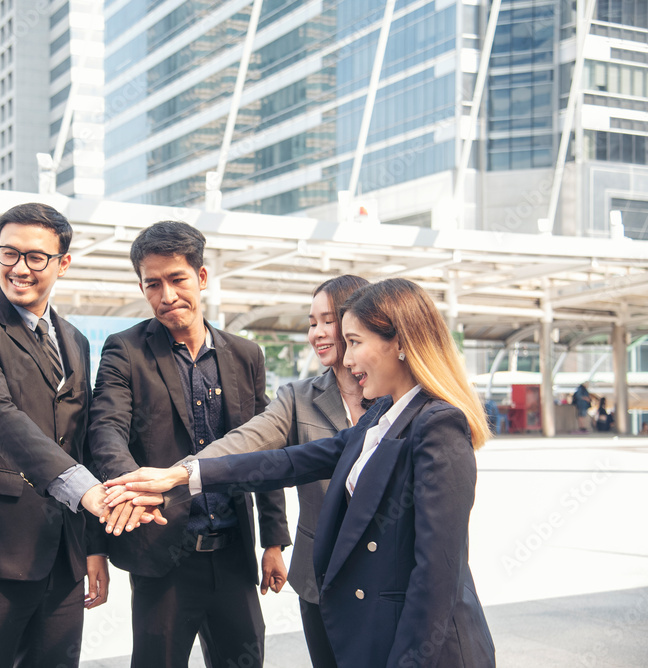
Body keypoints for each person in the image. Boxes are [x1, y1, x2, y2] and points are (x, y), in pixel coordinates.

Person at [108, 277, 497, 668]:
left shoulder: (438, 425)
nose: (346, 358)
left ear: (398, 342)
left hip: (424, 646)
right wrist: (181, 475)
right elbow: (289, 462)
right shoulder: (381, 415)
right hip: (365, 621)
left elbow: (436, 576)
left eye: (355, 342)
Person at [0, 203, 148, 668]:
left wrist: (94, 545)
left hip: (63, 557)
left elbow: (83, 442)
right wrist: (88, 492)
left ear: (62, 264)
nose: (19, 268)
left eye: (35, 258)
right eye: (8, 253)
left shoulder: (76, 340)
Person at [87, 221, 292, 668]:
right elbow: (105, 432)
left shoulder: (245, 355)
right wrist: (135, 491)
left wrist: (273, 540)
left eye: (177, 279)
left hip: (234, 554)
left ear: (201, 277)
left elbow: (265, 451)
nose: (166, 296)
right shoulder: (126, 350)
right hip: (163, 554)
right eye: (153, 284)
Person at [156, 274, 369, 667]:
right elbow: (248, 445)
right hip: (321, 578)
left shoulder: (397, 398)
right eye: (311, 322)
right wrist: (180, 473)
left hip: (384, 578)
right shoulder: (299, 398)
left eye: (328, 321)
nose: (317, 333)